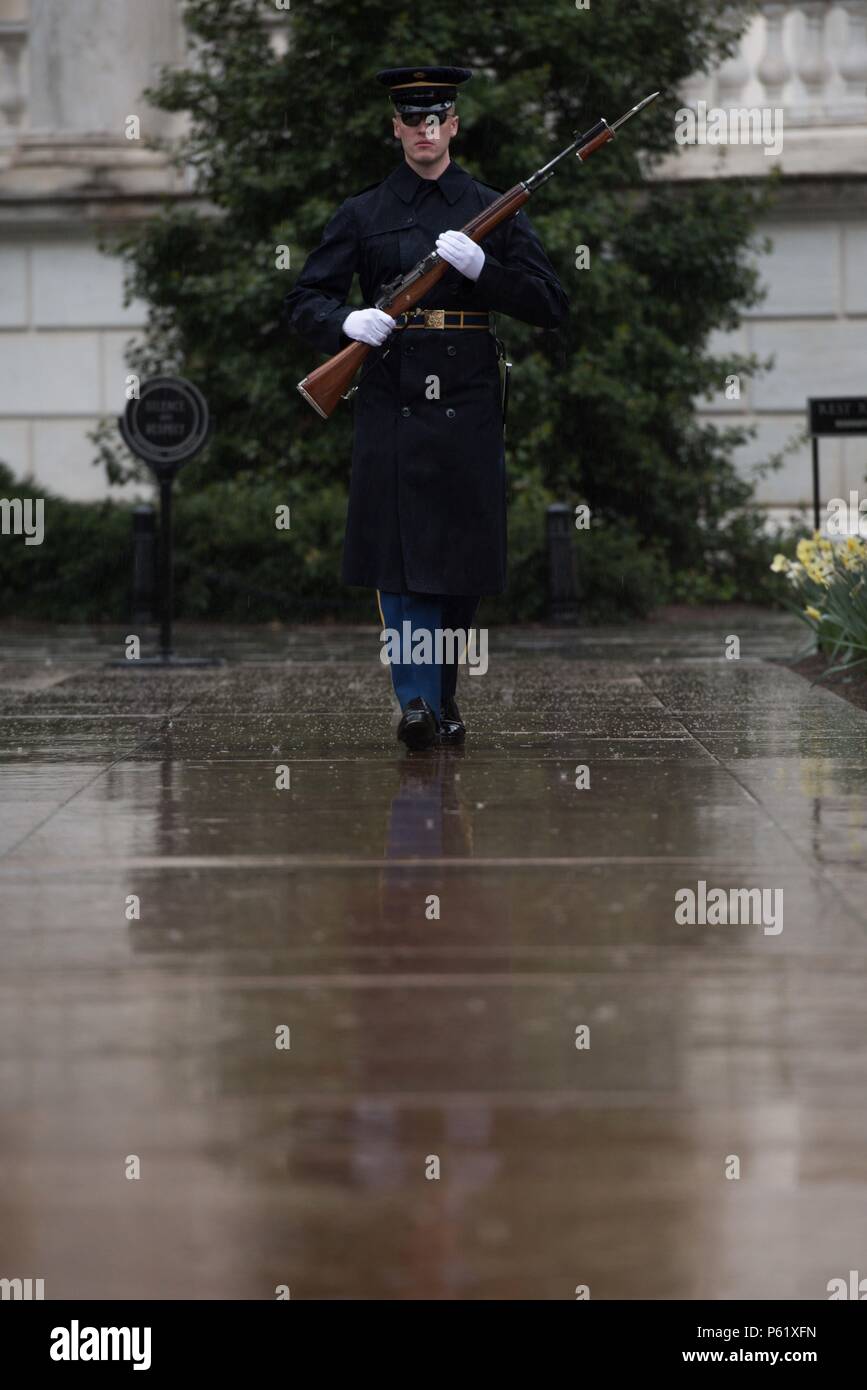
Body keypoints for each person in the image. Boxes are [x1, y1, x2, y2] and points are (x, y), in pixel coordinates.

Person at [285, 65, 568, 749]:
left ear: (454, 125)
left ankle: (441, 697)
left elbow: (550, 304)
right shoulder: (363, 213)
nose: (423, 130)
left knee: (458, 562)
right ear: (395, 128)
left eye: (435, 117)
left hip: (466, 402)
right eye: (411, 120)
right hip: (392, 397)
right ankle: (413, 702)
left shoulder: (489, 207)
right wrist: (347, 323)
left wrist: (482, 270)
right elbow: (304, 301)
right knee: (400, 559)